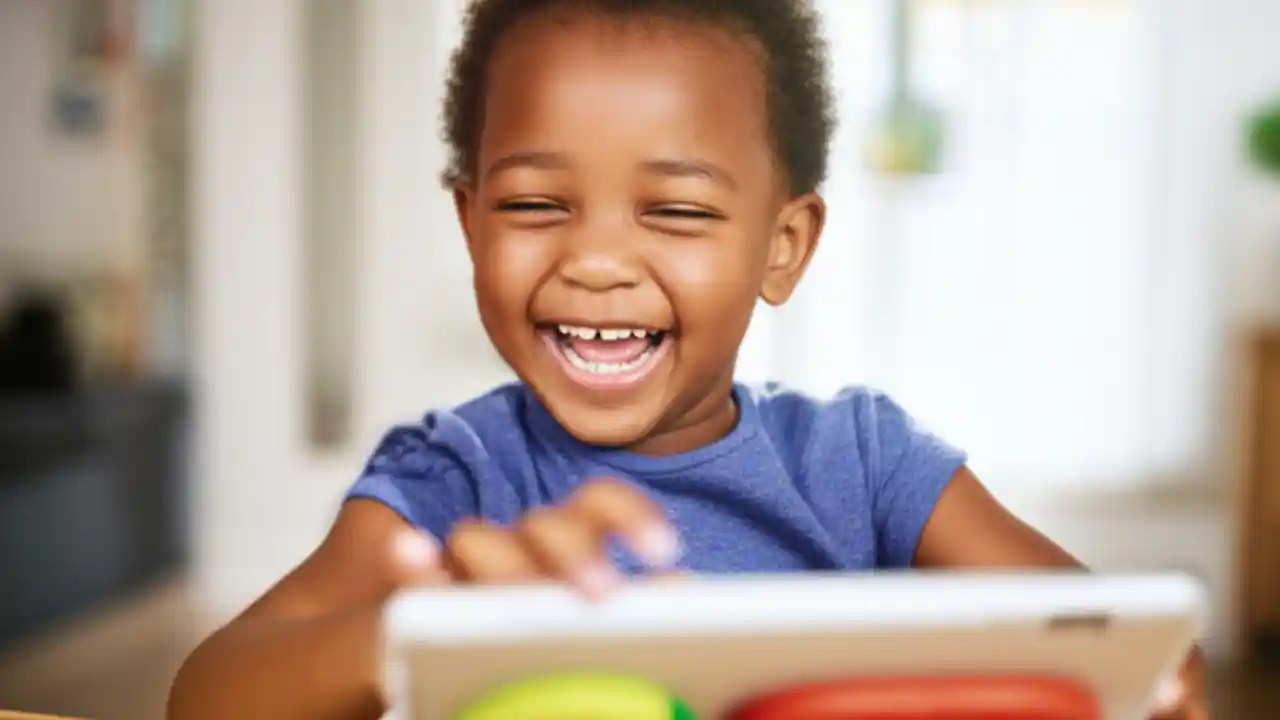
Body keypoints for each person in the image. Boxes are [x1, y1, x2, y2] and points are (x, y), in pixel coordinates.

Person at [168, 1, 1206, 718]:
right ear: (470, 219)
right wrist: (416, 626)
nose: (598, 261)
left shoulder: (864, 462)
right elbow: (207, 697)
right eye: (533, 205)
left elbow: (1123, 651)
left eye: (673, 211)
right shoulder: (454, 481)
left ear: (780, 245)